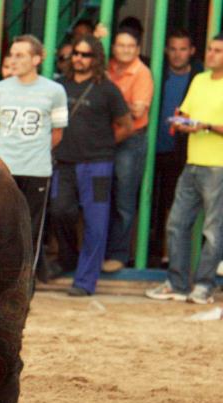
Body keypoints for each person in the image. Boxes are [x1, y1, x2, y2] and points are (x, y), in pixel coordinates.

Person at [49, 35, 132, 296]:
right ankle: (69, 259)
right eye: (76, 53)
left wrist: (104, 145)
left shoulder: (107, 89)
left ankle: (84, 282)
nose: (79, 59)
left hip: (97, 166)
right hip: (63, 164)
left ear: (96, 59)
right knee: (59, 211)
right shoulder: (58, 87)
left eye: (85, 55)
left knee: (96, 223)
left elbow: (127, 125)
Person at [146, 34, 223, 305]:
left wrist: (206, 126)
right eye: (210, 49)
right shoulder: (200, 80)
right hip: (192, 162)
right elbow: (188, 114)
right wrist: (182, 122)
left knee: (214, 230)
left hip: (219, 166)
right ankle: (177, 284)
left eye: (217, 50)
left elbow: (206, 123)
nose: (211, 54)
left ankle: (204, 286)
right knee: (177, 224)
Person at [0, 35, 68, 283]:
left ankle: (25, 286)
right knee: (2, 227)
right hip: (5, 168)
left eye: (20, 55)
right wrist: (9, 150)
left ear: (36, 59)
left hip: (36, 169)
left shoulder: (54, 91)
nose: (14, 60)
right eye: (12, 54)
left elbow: (57, 134)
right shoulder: (0, 89)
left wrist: (34, 150)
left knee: (31, 230)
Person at [149, 29, 203, 265]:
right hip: (153, 149)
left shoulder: (200, 78)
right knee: (149, 203)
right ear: (165, 51)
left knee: (175, 205)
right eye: (173, 48)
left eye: (183, 49)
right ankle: (142, 253)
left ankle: (169, 255)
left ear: (191, 51)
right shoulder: (157, 74)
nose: (178, 54)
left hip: (184, 152)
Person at [102, 28, 154, 273]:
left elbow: (138, 113)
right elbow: (129, 107)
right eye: (120, 45)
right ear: (113, 48)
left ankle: (118, 254)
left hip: (130, 141)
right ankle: (97, 253)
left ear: (137, 49)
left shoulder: (142, 73)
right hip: (104, 139)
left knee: (123, 199)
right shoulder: (107, 68)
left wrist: (111, 104)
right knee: (100, 197)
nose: (124, 50)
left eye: (130, 46)